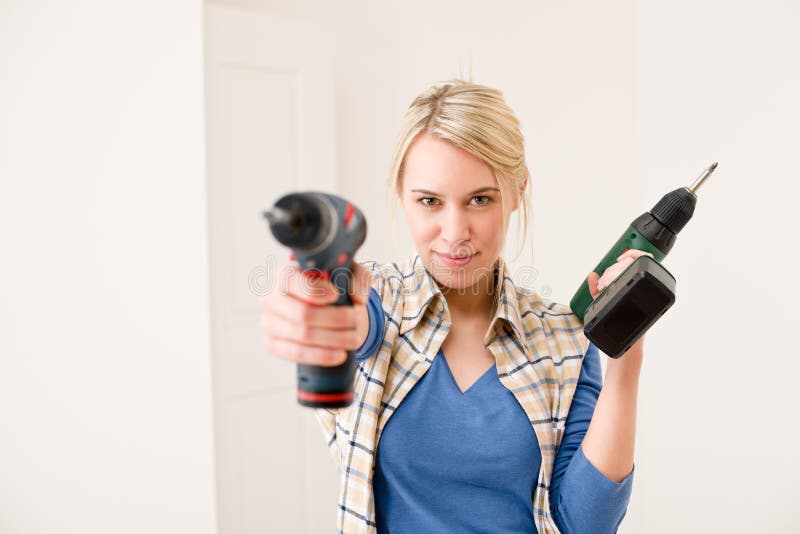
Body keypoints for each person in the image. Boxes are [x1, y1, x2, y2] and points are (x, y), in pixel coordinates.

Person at [259, 79, 650, 534]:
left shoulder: (563, 336)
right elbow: (345, 315)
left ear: (517, 192)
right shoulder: (375, 300)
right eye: (429, 201)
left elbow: (585, 525)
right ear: (400, 194)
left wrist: (626, 357)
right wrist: (303, 297)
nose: (454, 232)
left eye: (480, 200)